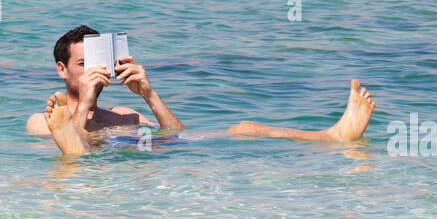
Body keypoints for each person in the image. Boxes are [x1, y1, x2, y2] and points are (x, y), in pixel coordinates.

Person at [26, 25, 377, 156]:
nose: (93, 72)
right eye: (83, 65)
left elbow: (176, 136)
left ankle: (333, 136)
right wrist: (84, 104)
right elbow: (49, 134)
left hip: (139, 153)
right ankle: (77, 148)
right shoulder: (46, 118)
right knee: (75, 146)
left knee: (244, 128)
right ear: (62, 70)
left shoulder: (123, 114)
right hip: (87, 155)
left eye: (96, 62)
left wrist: (148, 93)